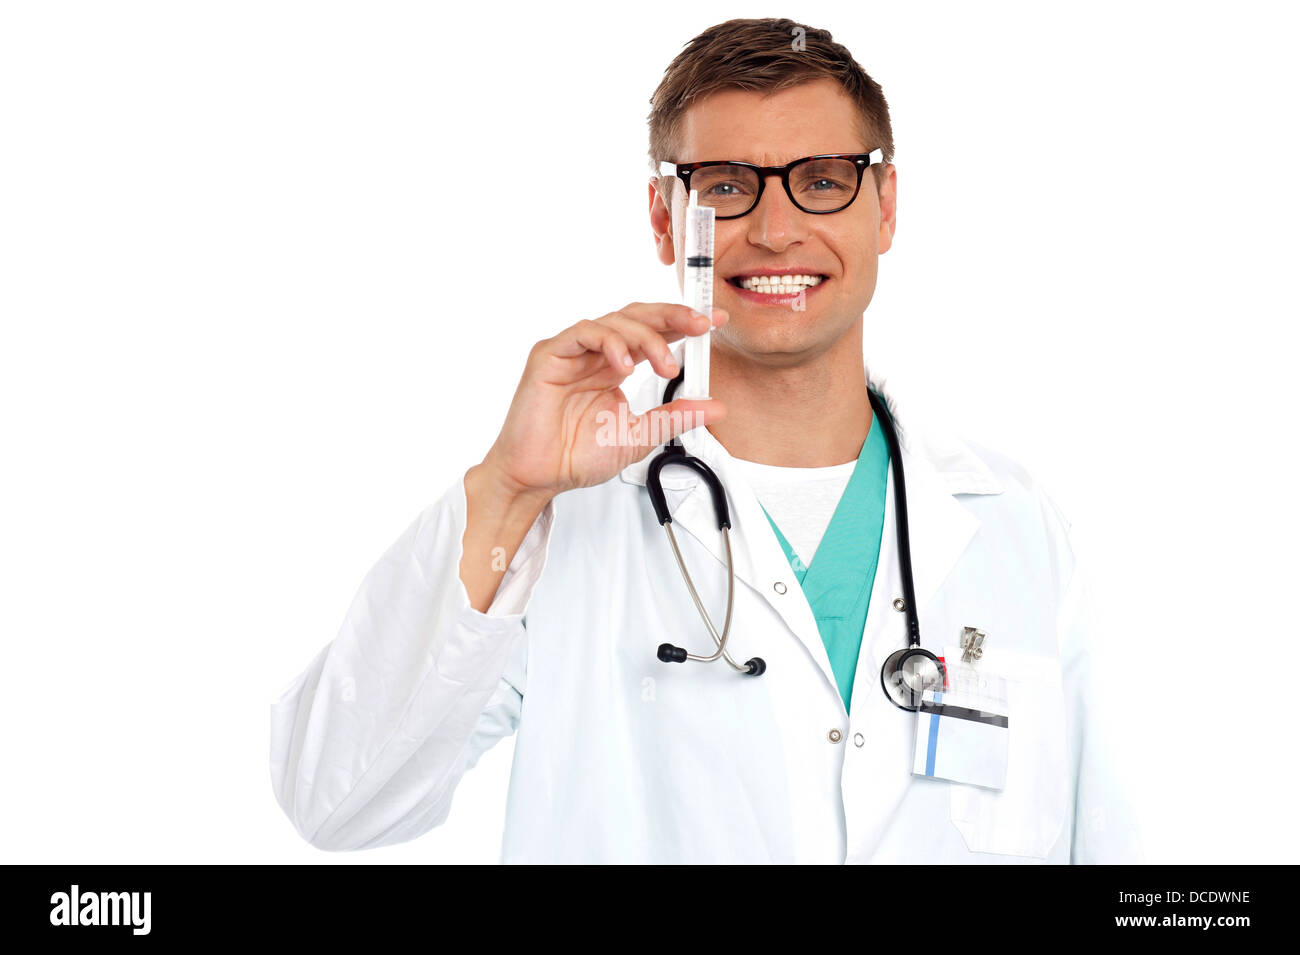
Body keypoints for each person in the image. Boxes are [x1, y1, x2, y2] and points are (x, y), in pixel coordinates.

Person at [269, 17, 1143, 864]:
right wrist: (506, 489)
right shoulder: (562, 518)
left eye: (824, 178)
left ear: (885, 208)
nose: (774, 229)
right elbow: (336, 802)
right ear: (663, 217)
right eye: (726, 184)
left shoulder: (1019, 528)